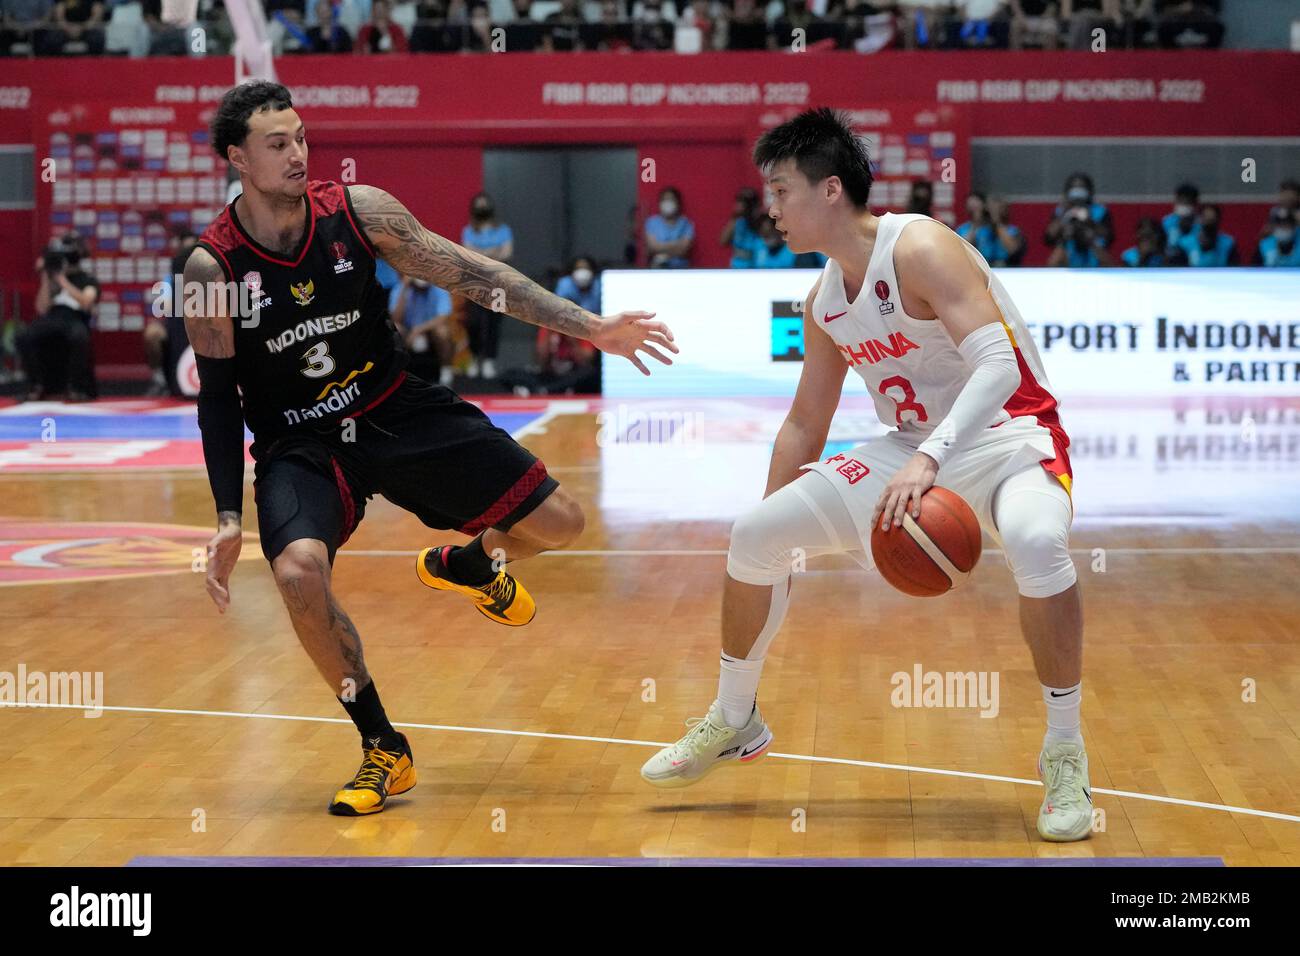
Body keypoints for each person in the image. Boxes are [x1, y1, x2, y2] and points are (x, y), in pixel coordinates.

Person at [188, 81, 677, 817]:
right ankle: (382, 746)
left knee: (564, 524)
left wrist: (590, 327)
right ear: (237, 157)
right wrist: (229, 515)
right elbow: (217, 399)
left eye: (300, 137)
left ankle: (473, 563)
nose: (297, 153)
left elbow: (480, 278)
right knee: (295, 572)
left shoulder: (360, 211)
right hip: (301, 441)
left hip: (393, 406)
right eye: (276, 143)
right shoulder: (209, 271)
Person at [640, 108, 1091, 843]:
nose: (770, 207)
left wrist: (929, 458)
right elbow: (804, 423)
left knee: (1039, 546)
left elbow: (999, 365)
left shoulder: (921, 246)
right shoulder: (824, 301)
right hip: (911, 445)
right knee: (753, 535)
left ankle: (1065, 750)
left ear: (830, 191)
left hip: (1010, 436)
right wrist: (770, 535)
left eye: (781, 191)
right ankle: (734, 718)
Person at [19, 233, 99, 401]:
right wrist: (47, 277)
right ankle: (36, 385)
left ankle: (75, 387)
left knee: (79, 337)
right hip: (53, 317)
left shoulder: (88, 280)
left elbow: (86, 302)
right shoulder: (52, 279)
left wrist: (62, 280)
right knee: (24, 336)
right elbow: (42, 308)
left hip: (75, 318)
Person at [458, 192, 514, 379]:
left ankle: (490, 359)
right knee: (473, 322)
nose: (482, 208)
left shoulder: (503, 229)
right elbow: (468, 254)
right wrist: (492, 252)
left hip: (498, 282)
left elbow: (507, 253)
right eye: (478, 205)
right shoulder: (468, 230)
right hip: (475, 281)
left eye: (485, 204)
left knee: (493, 322)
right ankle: (474, 357)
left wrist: (481, 253)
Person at [389, 275, 455, 385]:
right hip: (408, 331)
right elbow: (395, 318)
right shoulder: (400, 288)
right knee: (396, 329)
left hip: (429, 331)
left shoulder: (439, 288)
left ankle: (446, 372)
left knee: (442, 331)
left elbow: (443, 317)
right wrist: (404, 289)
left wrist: (419, 330)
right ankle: (395, 373)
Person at [1044, 172, 1113, 267]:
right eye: (1074, 188)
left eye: (1082, 188)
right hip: (1068, 253)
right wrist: (1065, 215)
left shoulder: (1100, 211)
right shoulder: (1060, 210)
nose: (1078, 191)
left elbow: (1108, 236)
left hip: (1093, 253)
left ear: (1089, 190)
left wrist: (1089, 224)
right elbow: (1048, 237)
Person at [956, 192, 1025, 267]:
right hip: (981, 267)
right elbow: (963, 250)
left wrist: (996, 221)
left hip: (1004, 266)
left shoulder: (1011, 230)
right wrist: (976, 223)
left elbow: (1012, 249)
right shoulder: (967, 229)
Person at [644, 186, 695, 268]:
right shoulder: (652, 222)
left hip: (681, 270)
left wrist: (661, 250)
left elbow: (684, 250)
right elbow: (652, 247)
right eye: (664, 200)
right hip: (657, 268)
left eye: (671, 199)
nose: (667, 202)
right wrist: (676, 244)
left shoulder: (686, 223)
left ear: (678, 203)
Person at [721, 186, 763, 268]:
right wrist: (735, 216)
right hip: (737, 268)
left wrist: (756, 215)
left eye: (747, 203)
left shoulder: (761, 221)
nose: (745, 206)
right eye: (741, 201)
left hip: (756, 268)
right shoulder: (737, 221)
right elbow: (723, 241)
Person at [1162, 182, 1199, 253]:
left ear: (1195, 203)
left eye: (1187, 202)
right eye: (1181, 201)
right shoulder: (1167, 221)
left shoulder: (1200, 223)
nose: (1184, 206)